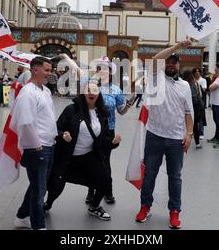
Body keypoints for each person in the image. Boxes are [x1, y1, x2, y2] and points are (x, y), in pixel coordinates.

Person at [134, 39, 194, 230]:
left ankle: (174, 211)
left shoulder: (185, 86)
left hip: (176, 138)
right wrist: (176, 47)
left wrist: (189, 134)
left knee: (175, 176)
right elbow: (154, 60)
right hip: (155, 135)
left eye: (174, 61)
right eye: (168, 61)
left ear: (178, 65)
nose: (170, 63)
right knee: (150, 173)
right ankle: (145, 207)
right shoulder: (155, 77)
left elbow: (188, 113)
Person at [58, 53, 132, 205]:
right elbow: (77, 69)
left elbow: (121, 111)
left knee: (104, 161)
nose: (101, 70)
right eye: (99, 68)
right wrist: (66, 57)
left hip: (107, 131)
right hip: (88, 130)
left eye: (105, 68)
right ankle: (91, 191)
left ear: (110, 72)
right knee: (91, 161)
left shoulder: (116, 90)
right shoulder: (89, 83)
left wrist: (128, 107)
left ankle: (107, 191)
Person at [44, 82, 122, 220]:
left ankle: (94, 206)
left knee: (105, 180)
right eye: (88, 90)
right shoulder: (71, 110)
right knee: (56, 186)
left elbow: (103, 141)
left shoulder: (102, 114)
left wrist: (113, 143)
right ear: (83, 93)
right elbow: (55, 128)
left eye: (95, 90)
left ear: (99, 94)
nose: (91, 93)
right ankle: (47, 204)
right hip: (67, 157)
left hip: (87, 156)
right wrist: (63, 135)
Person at [13, 56, 57, 230]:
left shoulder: (44, 91)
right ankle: (38, 226)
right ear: (35, 70)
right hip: (38, 149)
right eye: (47, 70)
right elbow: (25, 121)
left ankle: (22, 216)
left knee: (38, 185)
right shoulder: (28, 92)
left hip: (49, 145)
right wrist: (37, 145)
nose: (50, 73)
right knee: (39, 190)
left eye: (50, 70)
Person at [182, 70, 204, 149]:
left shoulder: (182, 85)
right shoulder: (193, 84)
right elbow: (195, 98)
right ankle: (197, 143)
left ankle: (183, 139)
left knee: (185, 125)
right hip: (194, 109)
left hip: (184, 108)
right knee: (194, 126)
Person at [193, 68, 207, 140]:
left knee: (201, 118)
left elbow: (204, 89)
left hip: (200, 102)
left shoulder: (203, 80)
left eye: (198, 71)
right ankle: (193, 132)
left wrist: (197, 85)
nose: (197, 73)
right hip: (193, 101)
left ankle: (201, 133)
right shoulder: (191, 80)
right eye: (195, 71)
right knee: (193, 117)